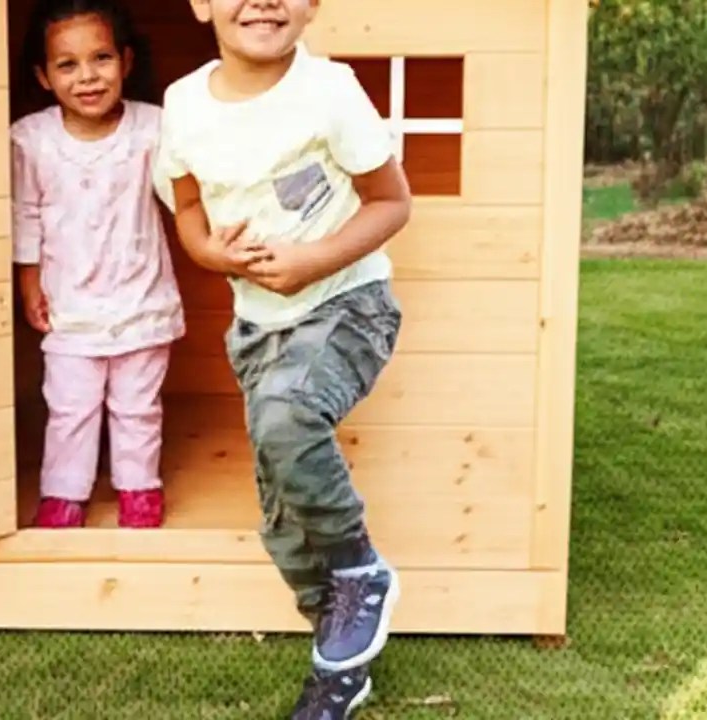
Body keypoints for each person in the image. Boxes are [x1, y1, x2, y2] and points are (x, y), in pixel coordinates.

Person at [152, 0, 414, 715]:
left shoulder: (329, 92)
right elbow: (186, 213)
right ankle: (343, 664)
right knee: (283, 524)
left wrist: (312, 261)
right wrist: (211, 255)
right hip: (258, 328)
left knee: (287, 415)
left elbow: (392, 202)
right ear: (201, 4)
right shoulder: (183, 104)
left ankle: (360, 569)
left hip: (347, 306)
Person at [10, 0, 184, 530]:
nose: (87, 76)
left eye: (101, 58)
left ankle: (139, 487)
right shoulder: (31, 139)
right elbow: (25, 213)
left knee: (137, 406)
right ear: (43, 75)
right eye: (67, 65)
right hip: (70, 304)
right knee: (70, 405)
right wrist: (28, 282)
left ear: (126, 61)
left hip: (142, 298)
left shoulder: (153, 128)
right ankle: (64, 494)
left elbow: (188, 197)